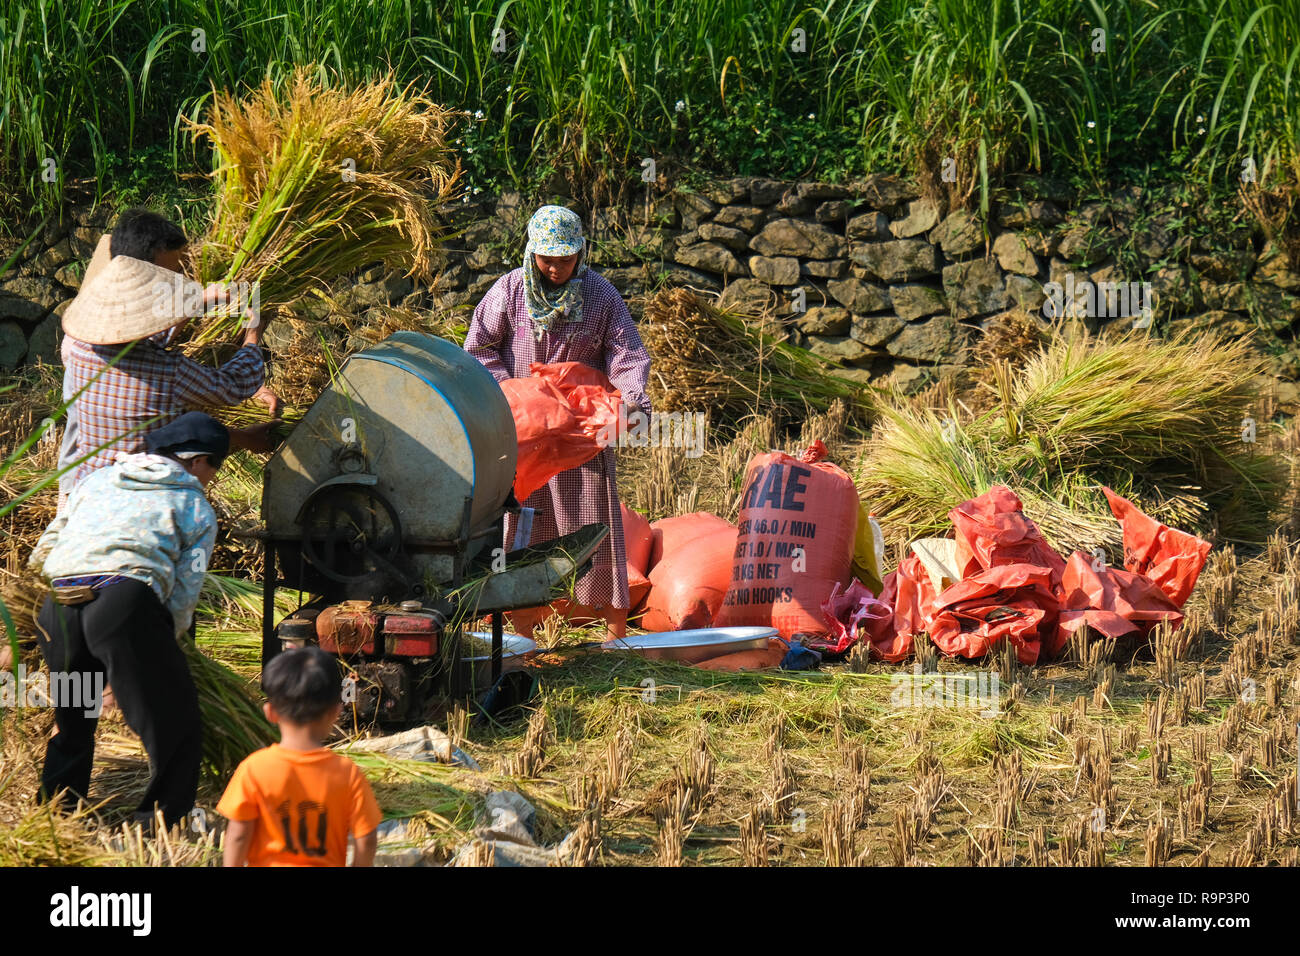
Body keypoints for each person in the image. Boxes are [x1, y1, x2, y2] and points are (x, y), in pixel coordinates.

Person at [28, 412, 230, 831]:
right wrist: (167, 644)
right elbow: (185, 591)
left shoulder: (95, 482)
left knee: (74, 718)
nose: (213, 477)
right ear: (196, 460)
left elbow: (43, 550)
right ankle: (157, 825)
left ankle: (56, 817)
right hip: (123, 604)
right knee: (175, 720)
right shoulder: (193, 504)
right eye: (216, 466)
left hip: (59, 606)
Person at [464, 205, 651, 639]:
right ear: (531, 252)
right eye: (547, 258)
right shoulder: (509, 291)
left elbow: (627, 356)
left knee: (594, 526)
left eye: (565, 258)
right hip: (526, 437)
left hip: (580, 435)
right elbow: (479, 348)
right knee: (525, 528)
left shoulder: (602, 297)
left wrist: (631, 401)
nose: (555, 267)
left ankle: (614, 635)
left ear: (581, 252)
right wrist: (512, 393)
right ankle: (523, 634)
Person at [57, 208, 281, 502]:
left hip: (83, 497)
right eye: (174, 277)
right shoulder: (167, 371)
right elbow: (234, 386)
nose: (179, 280)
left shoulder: (77, 346)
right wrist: (253, 333)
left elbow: (141, 332)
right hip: (140, 505)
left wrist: (194, 302)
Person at [217, 647, 381, 867]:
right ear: (336, 712)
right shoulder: (347, 773)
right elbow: (367, 840)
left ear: (270, 712)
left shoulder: (254, 769)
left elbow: (238, 834)